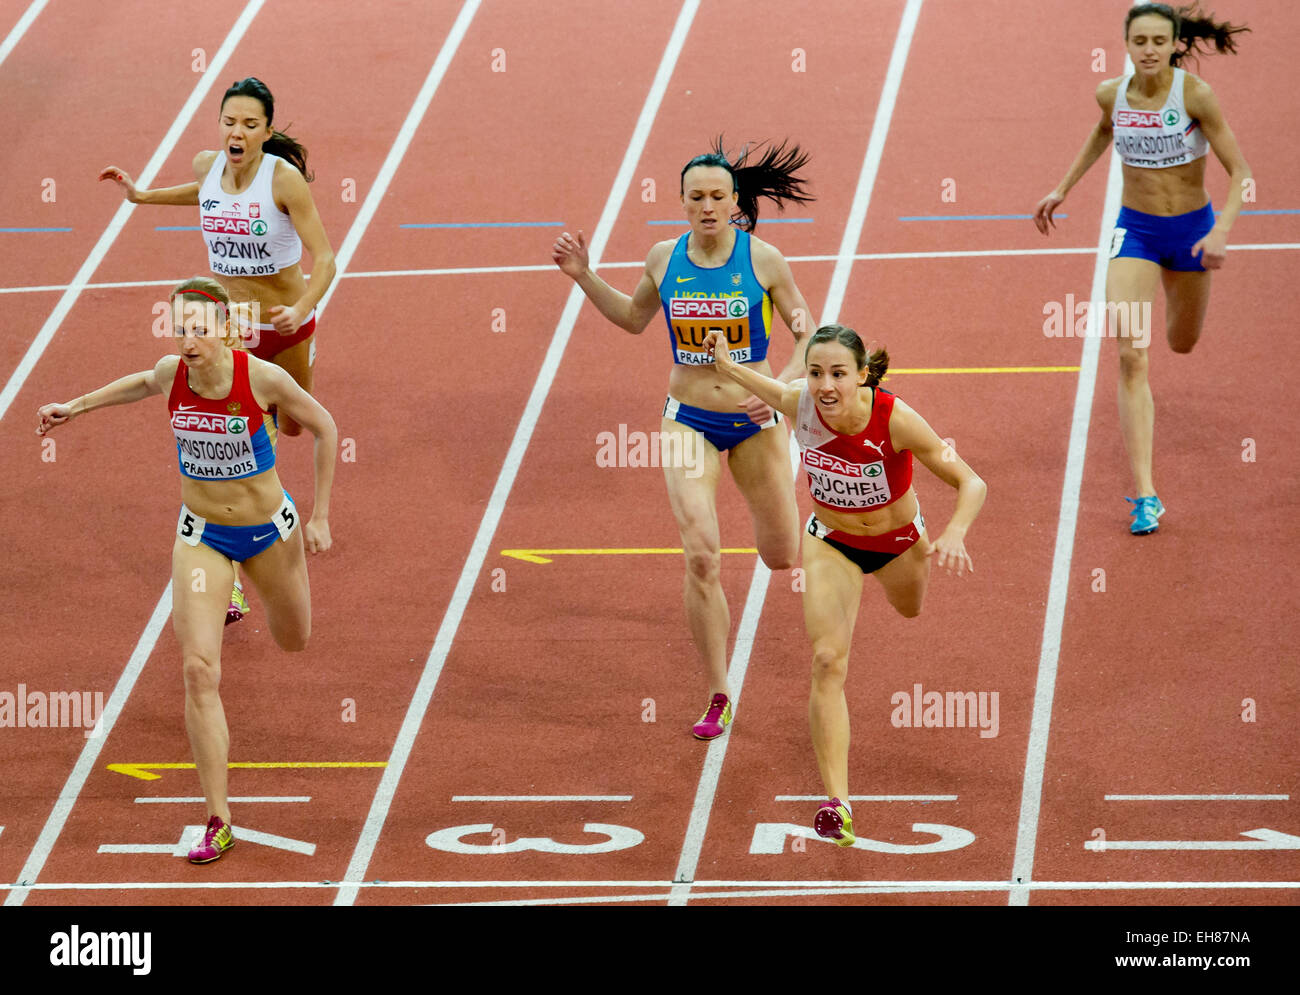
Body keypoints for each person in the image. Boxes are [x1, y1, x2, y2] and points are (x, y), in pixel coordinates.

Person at [36, 277, 337, 864]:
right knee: (199, 670)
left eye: (200, 329)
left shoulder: (263, 379)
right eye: (181, 328)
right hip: (202, 536)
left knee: (294, 640)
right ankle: (219, 818)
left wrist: (321, 516)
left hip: (270, 533)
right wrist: (73, 407)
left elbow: (325, 427)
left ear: (226, 329)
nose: (189, 339)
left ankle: (251, 590)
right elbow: (140, 385)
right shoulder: (173, 373)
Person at [553, 138, 815, 739]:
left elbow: (807, 333)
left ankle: (793, 490)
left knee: (781, 557)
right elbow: (633, 319)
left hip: (755, 421)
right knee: (701, 556)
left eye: (718, 196)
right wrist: (584, 276)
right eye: (695, 196)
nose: (707, 206)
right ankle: (718, 692)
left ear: (733, 201)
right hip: (687, 419)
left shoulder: (765, 260)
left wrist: (779, 385)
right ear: (681, 201)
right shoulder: (662, 257)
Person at [704, 323, 986, 845]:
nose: (825, 386)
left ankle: (915, 553)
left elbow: (972, 481)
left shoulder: (895, 419)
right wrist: (724, 365)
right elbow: (764, 387)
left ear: (862, 375)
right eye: (815, 373)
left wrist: (955, 532)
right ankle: (838, 802)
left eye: (837, 373)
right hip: (831, 540)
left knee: (910, 609)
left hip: (899, 542)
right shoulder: (798, 402)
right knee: (828, 661)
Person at [101, 76, 337, 617]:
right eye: (230, 121)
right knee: (235, 429)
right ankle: (232, 561)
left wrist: (303, 308)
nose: (237, 132)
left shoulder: (286, 180)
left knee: (297, 424)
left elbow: (325, 259)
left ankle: (274, 431)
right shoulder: (207, 165)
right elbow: (202, 192)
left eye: (250, 125)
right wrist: (142, 196)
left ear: (266, 131)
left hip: (288, 321)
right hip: (234, 326)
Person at [1033, 3, 1250, 535]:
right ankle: (1146, 494)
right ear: (1126, 45)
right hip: (1137, 233)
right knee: (1131, 354)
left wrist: (1221, 229)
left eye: (1158, 40)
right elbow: (1103, 132)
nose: (1148, 49)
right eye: (1139, 41)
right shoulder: (1112, 94)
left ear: (1175, 43)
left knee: (1181, 342)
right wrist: (1063, 187)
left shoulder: (1195, 96)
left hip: (1192, 234)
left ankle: (1185, 303)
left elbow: (1242, 172)